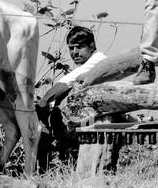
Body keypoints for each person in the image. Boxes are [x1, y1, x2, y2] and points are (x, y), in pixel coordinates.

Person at [36, 26, 107, 168]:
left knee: (44, 118)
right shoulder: (91, 61)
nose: (74, 52)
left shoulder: (97, 61)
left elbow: (62, 85)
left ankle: (41, 169)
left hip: (96, 119)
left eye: (79, 47)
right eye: (71, 48)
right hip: (92, 116)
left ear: (91, 45)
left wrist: (42, 103)